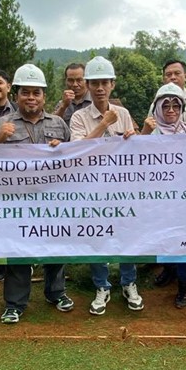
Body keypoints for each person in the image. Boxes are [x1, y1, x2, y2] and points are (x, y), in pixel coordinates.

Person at [0, 63, 75, 323]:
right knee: (17, 250)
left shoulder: (58, 123)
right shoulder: (3, 124)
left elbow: (75, 159)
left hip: (53, 198)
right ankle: (15, 304)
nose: (31, 98)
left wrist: (62, 148)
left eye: (36, 93)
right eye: (25, 92)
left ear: (44, 96)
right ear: (16, 95)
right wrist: (0, 139)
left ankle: (56, 292)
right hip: (16, 198)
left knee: (56, 246)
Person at [69, 56, 144, 315]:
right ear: (87, 86)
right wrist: (103, 124)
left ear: (112, 84)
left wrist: (132, 136)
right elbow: (78, 151)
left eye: (105, 82)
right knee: (96, 236)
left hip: (121, 187)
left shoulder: (122, 113)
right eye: (95, 83)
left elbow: (134, 147)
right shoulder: (79, 117)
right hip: (91, 189)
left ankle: (128, 282)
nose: (100, 88)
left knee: (127, 235)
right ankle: (102, 286)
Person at [141, 83, 186, 308]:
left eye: (176, 105)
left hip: (185, 199)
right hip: (157, 200)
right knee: (163, 237)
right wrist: (144, 133)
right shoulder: (151, 131)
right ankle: (169, 269)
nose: (171, 110)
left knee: (185, 241)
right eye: (166, 105)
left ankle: (185, 284)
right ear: (157, 107)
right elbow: (133, 157)